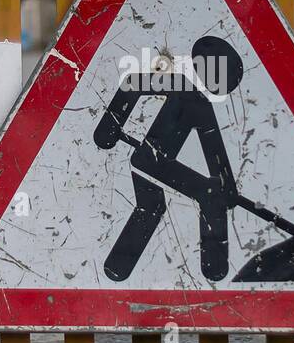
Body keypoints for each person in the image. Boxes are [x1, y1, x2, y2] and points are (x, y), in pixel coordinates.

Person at [93, 36, 244, 282]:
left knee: (151, 207)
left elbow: (214, 151)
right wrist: (109, 127)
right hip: (149, 160)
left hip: (148, 161)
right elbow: (132, 83)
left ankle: (117, 268)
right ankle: (214, 267)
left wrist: (227, 188)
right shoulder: (180, 85)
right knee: (208, 196)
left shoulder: (201, 105)